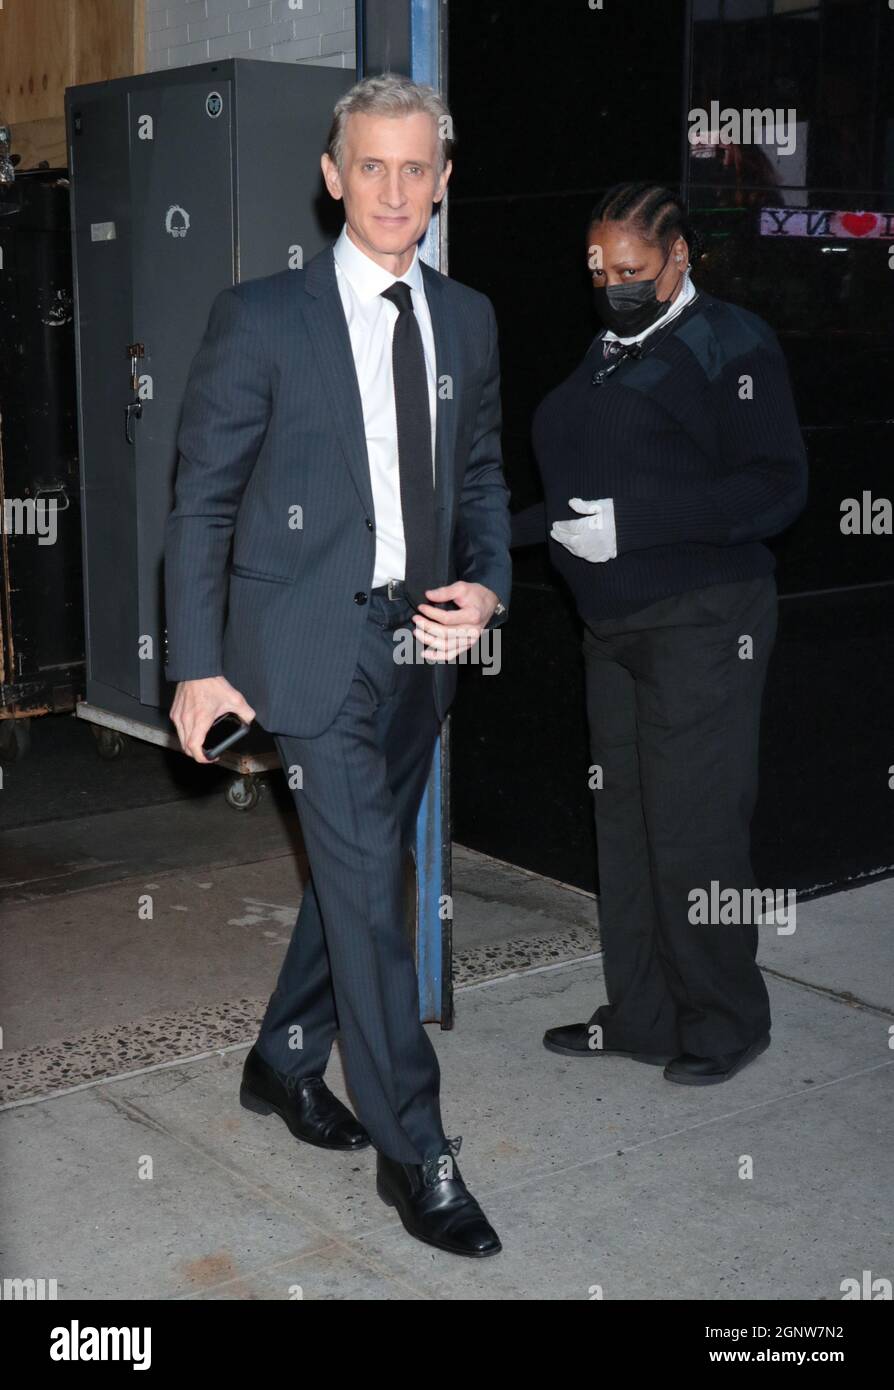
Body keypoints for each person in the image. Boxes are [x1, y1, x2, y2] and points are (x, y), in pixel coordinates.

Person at [164, 74, 510, 1257]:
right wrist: (197, 664)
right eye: (373, 166)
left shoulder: (467, 319)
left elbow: (479, 482)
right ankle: (420, 1154)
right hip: (308, 647)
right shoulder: (261, 316)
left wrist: (491, 582)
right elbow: (200, 502)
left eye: (418, 168)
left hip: (423, 646)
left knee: (355, 887)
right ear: (333, 175)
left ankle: (281, 1058)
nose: (395, 191)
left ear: (444, 180)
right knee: (377, 902)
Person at [512, 182, 807, 1085]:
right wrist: (483, 539)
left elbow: (776, 486)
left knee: (696, 830)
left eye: (632, 269)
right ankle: (639, 1016)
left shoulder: (729, 341)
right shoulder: (610, 349)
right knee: (628, 828)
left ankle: (724, 1022)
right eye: (598, 269)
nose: (612, 284)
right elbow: (575, 493)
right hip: (613, 627)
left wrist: (634, 525)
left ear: (680, 258)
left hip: (706, 622)